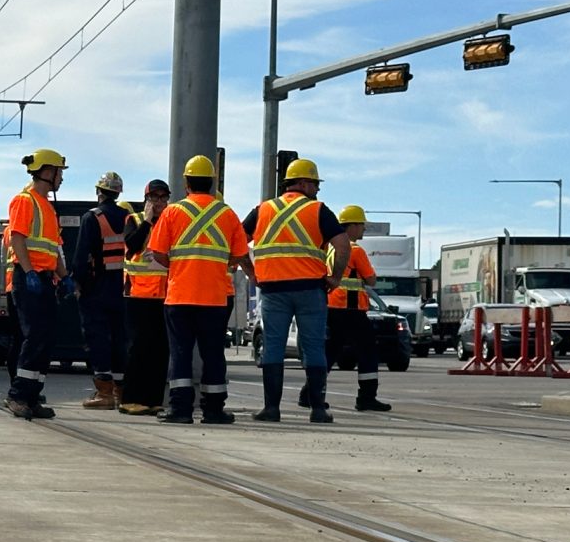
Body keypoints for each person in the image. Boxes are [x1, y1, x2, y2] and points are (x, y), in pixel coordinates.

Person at [146, 155, 253, 424]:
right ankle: (213, 409)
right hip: (215, 298)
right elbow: (239, 255)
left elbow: (157, 253)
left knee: (180, 352)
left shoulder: (172, 212)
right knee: (213, 354)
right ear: (212, 181)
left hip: (180, 295)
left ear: (186, 183)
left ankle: (180, 409)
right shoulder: (227, 214)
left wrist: (180, 266)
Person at [244, 157, 350, 423]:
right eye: (315, 184)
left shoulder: (263, 209)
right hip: (309, 290)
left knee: (273, 348)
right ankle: (317, 410)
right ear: (303, 183)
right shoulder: (318, 210)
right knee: (314, 348)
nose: (317, 190)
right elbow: (343, 245)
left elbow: (237, 243)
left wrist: (251, 272)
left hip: (272, 291)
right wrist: (335, 277)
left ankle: (271, 409)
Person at [304, 204, 393, 412]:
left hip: (330, 305)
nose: (363, 229)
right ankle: (366, 397)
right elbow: (371, 280)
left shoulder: (328, 248)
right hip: (350, 308)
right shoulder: (355, 250)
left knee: (329, 351)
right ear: (351, 226)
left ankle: (309, 394)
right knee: (368, 351)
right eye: (361, 225)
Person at [4, 149, 72, 419]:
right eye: (60, 172)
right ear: (48, 172)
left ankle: (32, 396)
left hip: (44, 279)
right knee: (34, 336)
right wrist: (29, 271)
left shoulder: (48, 208)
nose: (61, 178)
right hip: (28, 277)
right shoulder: (25, 201)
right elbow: (17, 239)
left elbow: (53, 249)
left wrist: (65, 276)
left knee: (45, 338)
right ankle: (18, 395)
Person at [74, 172, 129, 409]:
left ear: (99, 192)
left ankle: (104, 393)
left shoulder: (92, 218)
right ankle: (121, 392)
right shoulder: (129, 218)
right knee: (120, 339)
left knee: (97, 339)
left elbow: (81, 257)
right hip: (124, 288)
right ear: (118, 193)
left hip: (97, 288)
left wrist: (78, 283)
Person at [118, 178, 170, 416]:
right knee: (138, 349)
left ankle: (153, 399)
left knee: (160, 349)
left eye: (162, 198)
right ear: (146, 200)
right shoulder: (135, 220)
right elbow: (131, 245)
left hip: (164, 295)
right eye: (154, 198)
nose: (159, 202)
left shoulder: (172, 221)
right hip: (137, 294)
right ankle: (130, 399)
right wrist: (148, 221)